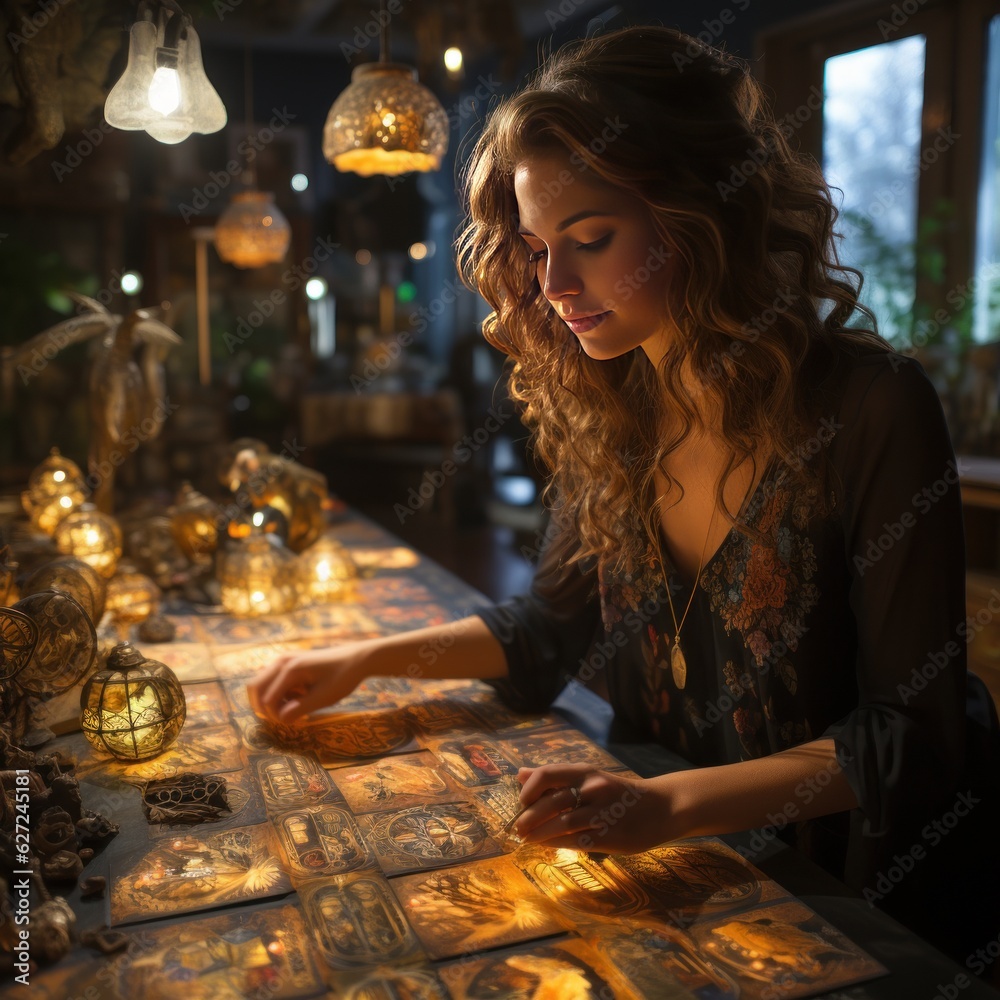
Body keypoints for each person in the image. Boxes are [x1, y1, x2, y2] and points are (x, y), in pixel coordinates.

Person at [250, 25, 989, 958]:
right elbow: (546, 630)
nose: (554, 284)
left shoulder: (875, 408)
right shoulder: (609, 403)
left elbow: (909, 739)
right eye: (535, 246)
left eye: (591, 238)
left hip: (847, 896)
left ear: (701, 216)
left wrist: (669, 803)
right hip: (674, 871)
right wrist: (364, 658)